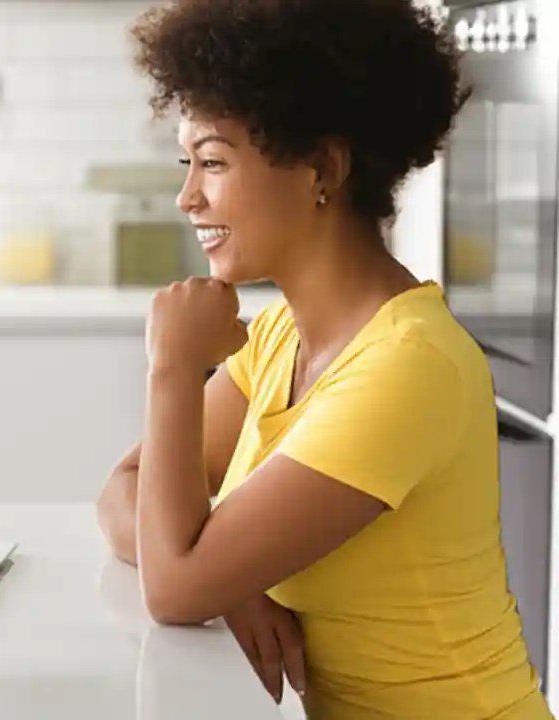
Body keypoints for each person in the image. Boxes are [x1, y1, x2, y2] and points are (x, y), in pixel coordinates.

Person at [95, 1, 551, 717]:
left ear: (323, 169)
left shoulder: (407, 366)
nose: (187, 198)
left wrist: (173, 367)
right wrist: (236, 578)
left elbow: (173, 586)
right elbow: (124, 490)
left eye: (212, 162)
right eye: (188, 164)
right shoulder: (279, 337)